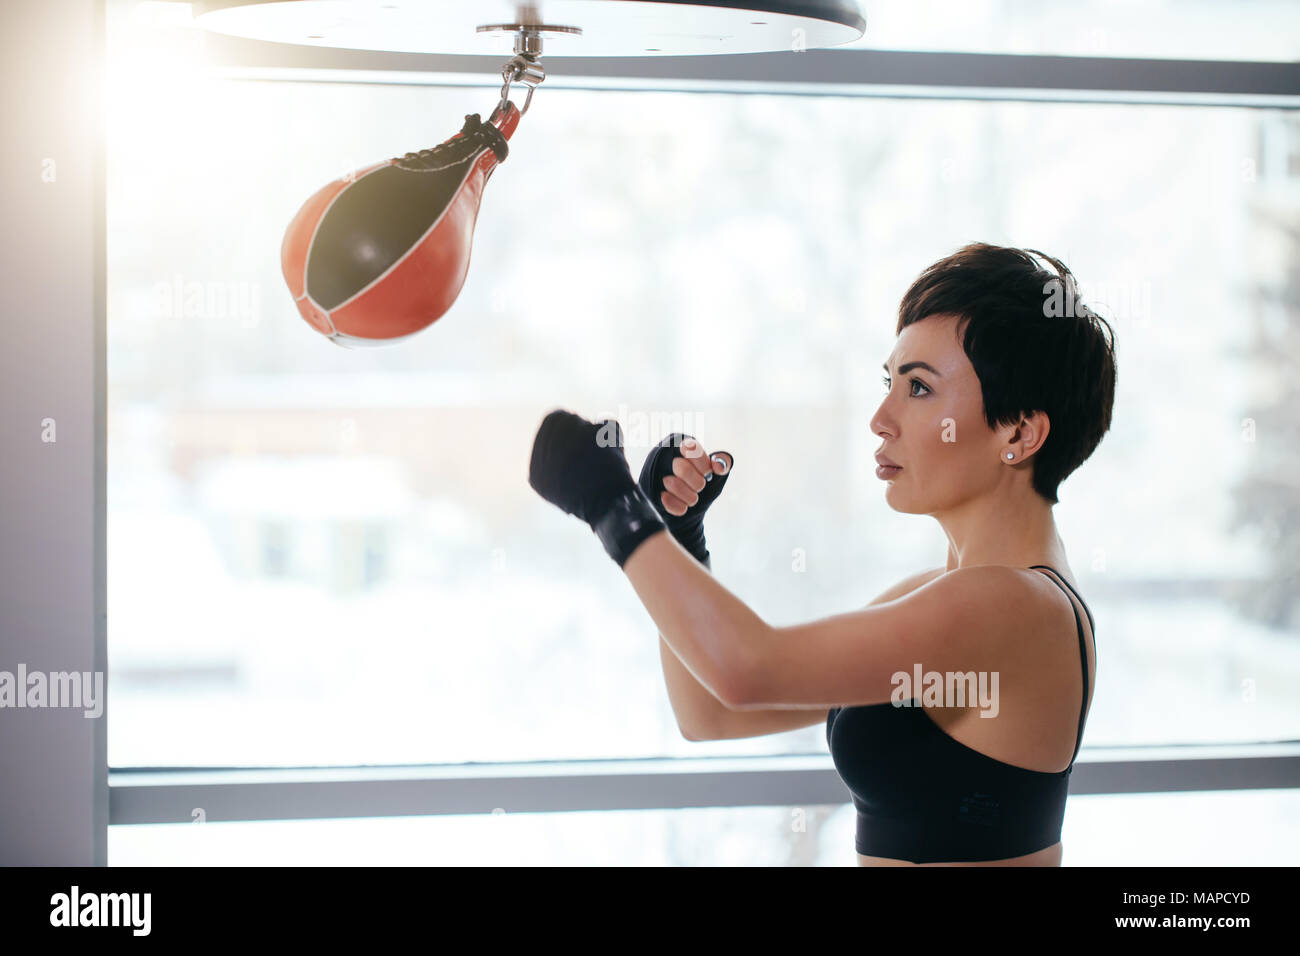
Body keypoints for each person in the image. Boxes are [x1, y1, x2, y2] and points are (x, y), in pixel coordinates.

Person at [528, 241, 1117, 866]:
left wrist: (615, 508)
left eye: (918, 388)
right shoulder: (946, 594)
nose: (880, 419)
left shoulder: (1013, 607)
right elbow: (712, 713)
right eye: (889, 382)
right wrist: (679, 538)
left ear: (1020, 432)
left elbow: (748, 667)